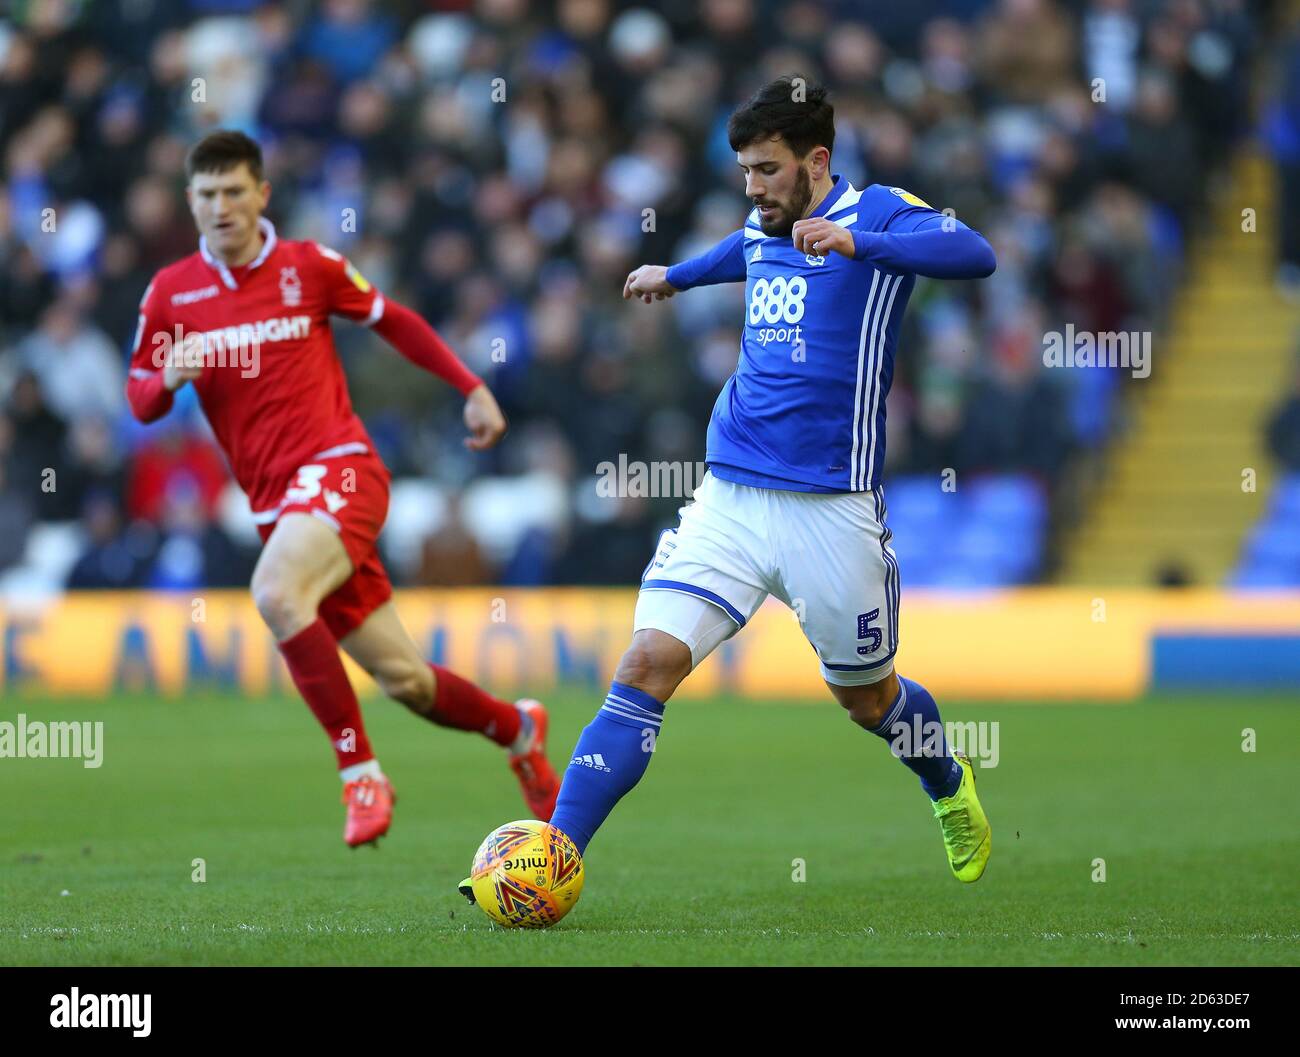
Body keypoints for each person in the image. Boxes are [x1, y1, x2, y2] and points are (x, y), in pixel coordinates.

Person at [472, 77, 997, 898]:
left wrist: (861, 245)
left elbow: (976, 254)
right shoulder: (766, 222)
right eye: (746, 170)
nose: (752, 187)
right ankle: (552, 856)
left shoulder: (881, 212)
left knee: (867, 700)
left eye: (767, 169)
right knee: (646, 662)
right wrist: (676, 275)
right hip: (731, 494)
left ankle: (947, 784)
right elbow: (742, 250)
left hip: (831, 506)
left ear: (816, 161)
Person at [126, 130, 559, 847]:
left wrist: (471, 386)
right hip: (280, 509)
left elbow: (395, 321)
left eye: (234, 191)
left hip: (343, 469)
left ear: (262, 194)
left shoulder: (309, 266)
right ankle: (517, 729)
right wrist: (167, 377)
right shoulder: (172, 293)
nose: (221, 206)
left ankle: (360, 774)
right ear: (190, 201)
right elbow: (139, 396)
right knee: (407, 681)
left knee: (275, 593)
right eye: (206, 194)